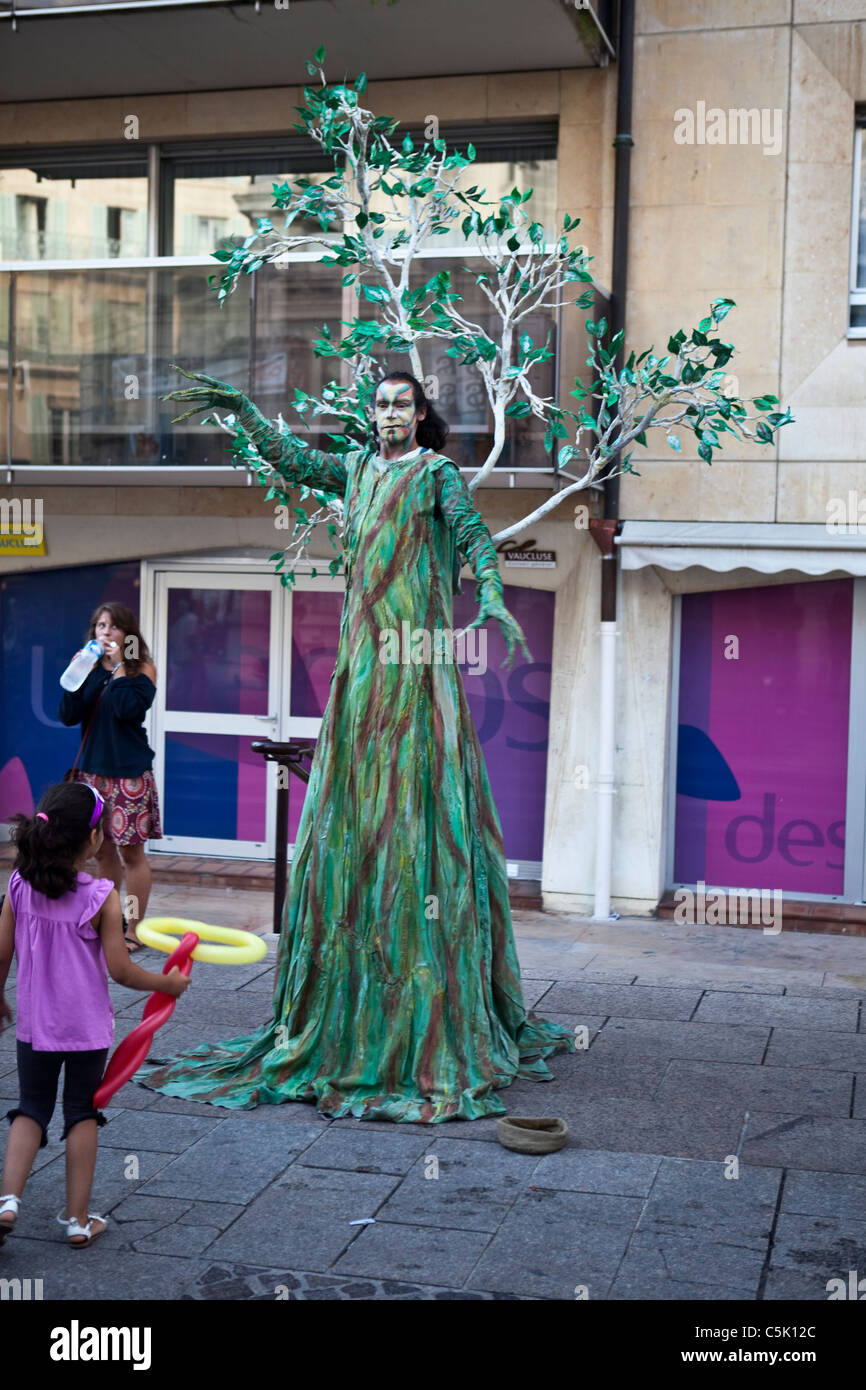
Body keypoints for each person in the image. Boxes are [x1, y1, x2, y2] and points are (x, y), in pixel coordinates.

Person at [139, 367, 575, 1124]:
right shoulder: (355, 468)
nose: (388, 414)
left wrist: (497, 602)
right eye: (379, 403)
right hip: (364, 669)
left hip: (414, 665)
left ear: (421, 414)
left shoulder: (436, 475)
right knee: (357, 819)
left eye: (402, 403)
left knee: (417, 815)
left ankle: (424, 1018)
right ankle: (343, 1008)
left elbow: (473, 541)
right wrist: (247, 411)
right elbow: (294, 463)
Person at [0, 782, 189, 1248]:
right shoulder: (102, 895)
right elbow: (121, 971)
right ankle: (79, 1222)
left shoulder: (19, 886)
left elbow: (0, 953)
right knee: (81, 1113)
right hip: (85, 1032)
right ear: (95, 840)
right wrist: (168, 983)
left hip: (35, 1027)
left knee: (31, 1110)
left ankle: (7, 1202)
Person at [58, 603, 160, 951]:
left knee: (132, 854)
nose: (105, 631)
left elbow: (127, 710)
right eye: (100, 625)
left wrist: (117, 669)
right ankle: (107, 918)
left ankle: (135, 928)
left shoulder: (141, 670)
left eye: (114, 626)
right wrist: (76, 673)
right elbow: (67, 716)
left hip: (129, 774)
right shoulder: (88, 668)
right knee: (102, 852)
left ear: (127, 634)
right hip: (93, 774)